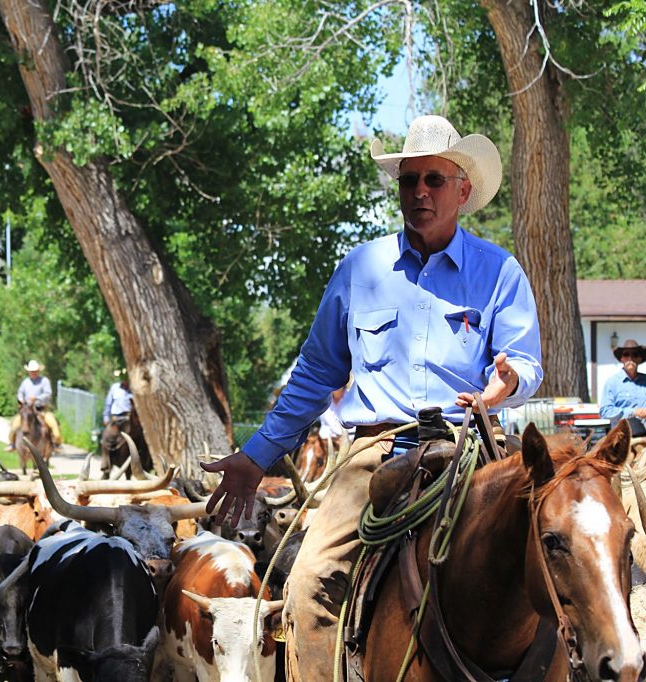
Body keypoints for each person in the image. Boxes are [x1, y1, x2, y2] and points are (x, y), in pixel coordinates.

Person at [200, 115, 543, 680]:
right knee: (309, 585)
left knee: (551, 568)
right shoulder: (360, 268)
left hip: (467, 448)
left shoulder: (500, 272)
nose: (420, 193)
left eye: (434, 180)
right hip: (373, 452)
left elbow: (523, 363)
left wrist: (503, 385)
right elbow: (315, 373)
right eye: (410, 181)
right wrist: (256, 457)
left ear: (462, 190)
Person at [6, 360, 61, 450]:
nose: (33, 373)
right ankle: (12, 443)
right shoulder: (25, 382)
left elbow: (48, 394)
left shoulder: (44, 381)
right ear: (29, 372)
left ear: (38, 371)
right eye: (32, 371)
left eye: (35, 371)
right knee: (14, 425)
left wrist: (37, 398)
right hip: (27, 410)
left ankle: (56, 444)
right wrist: (21, 400)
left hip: (41, 410)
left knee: (53, 424)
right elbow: (20, 393)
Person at [600, 339, 646, 437]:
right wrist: (633, 412)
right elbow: (605, 411)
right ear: (622, 359)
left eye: (635, 355)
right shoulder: (612, 383)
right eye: (626, 355)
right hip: (622, 438)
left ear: (640, 359)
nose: (630, 358)